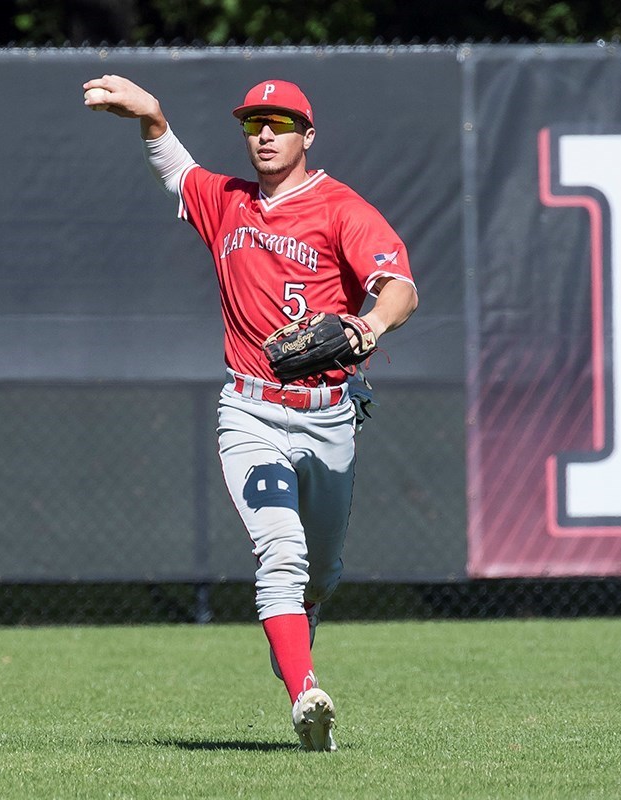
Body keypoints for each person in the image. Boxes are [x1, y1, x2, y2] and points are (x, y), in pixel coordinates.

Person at [82, 74, 418, 750]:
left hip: (328, 417)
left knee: (317, 575)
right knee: (280, 552)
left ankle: (302, 639)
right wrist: (152, 116)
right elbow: (178, 172)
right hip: (251, 412)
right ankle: (305, 695)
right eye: (253, 123)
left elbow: (399, 287)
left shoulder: (340, 208)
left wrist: (368, 328)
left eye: (281, 123)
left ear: (307, 134)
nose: (265, 134)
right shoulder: (227, 202)